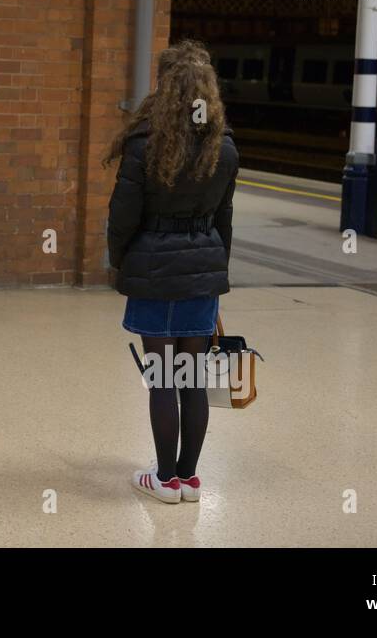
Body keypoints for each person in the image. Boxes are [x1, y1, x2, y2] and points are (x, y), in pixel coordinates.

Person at [104, 40, 239, 504]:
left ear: (165, 87)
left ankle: (163, 480)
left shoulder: (145, 145)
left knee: (163, 375)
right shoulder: (224, 149)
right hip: (203, 271)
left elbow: (123, 216)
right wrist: (216, 271)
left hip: (153, 272)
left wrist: (120, 262)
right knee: (193, 378)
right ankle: (189, 479)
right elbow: (224, 220)